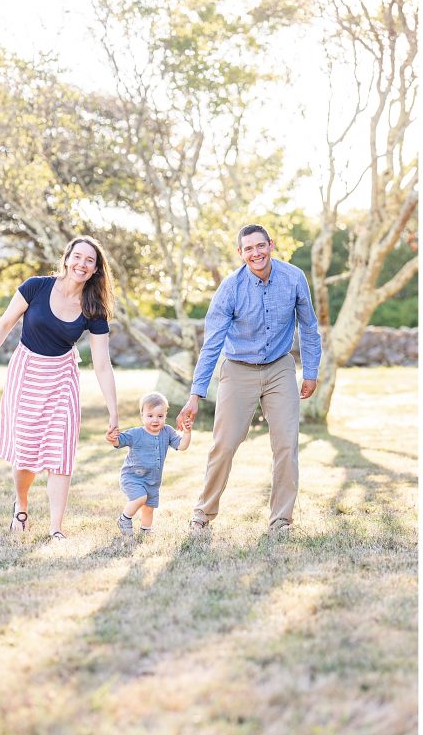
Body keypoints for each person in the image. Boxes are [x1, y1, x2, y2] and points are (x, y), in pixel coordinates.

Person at [177, 224, 321, 533]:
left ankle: (281, 520)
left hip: (280, 367)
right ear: (240, 253)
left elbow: (309, 327)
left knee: (286, 444)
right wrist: (195, 394)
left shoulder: (294, 278)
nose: (255, 253)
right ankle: (202, 514)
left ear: (271, 245)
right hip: (238, 368)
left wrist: (310, 372)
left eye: (260, 246)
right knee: (224, 444)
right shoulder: (230, 288)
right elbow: (212, 343)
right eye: (248, 249)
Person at [0, 237, 120, 540]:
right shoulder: (36, 287)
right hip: (26, 372)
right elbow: (4, 324)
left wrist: (113, 411)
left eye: (89, 260)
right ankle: (22, 503)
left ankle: (56, 528)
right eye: (77, 257)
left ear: (95, 269)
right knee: (25, 449)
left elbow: (102, 363)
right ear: (66, 258)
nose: (82, 264)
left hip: (62, 378)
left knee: (61, 451)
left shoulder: (94, 308)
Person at [106, 391, 191, 536]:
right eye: (150, 416)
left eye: (160, 416)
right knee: (140, 498)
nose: (155, 420)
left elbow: (182, 446)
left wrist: (187, 433)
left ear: (165, 415)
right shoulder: (136, 433)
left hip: (153, 480)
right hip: (133, 477)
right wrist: (112, 438)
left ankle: (146, 531)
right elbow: (119, 441)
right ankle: (124, 519)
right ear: (142, 416)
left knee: (149, 507)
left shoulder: (167, 432)